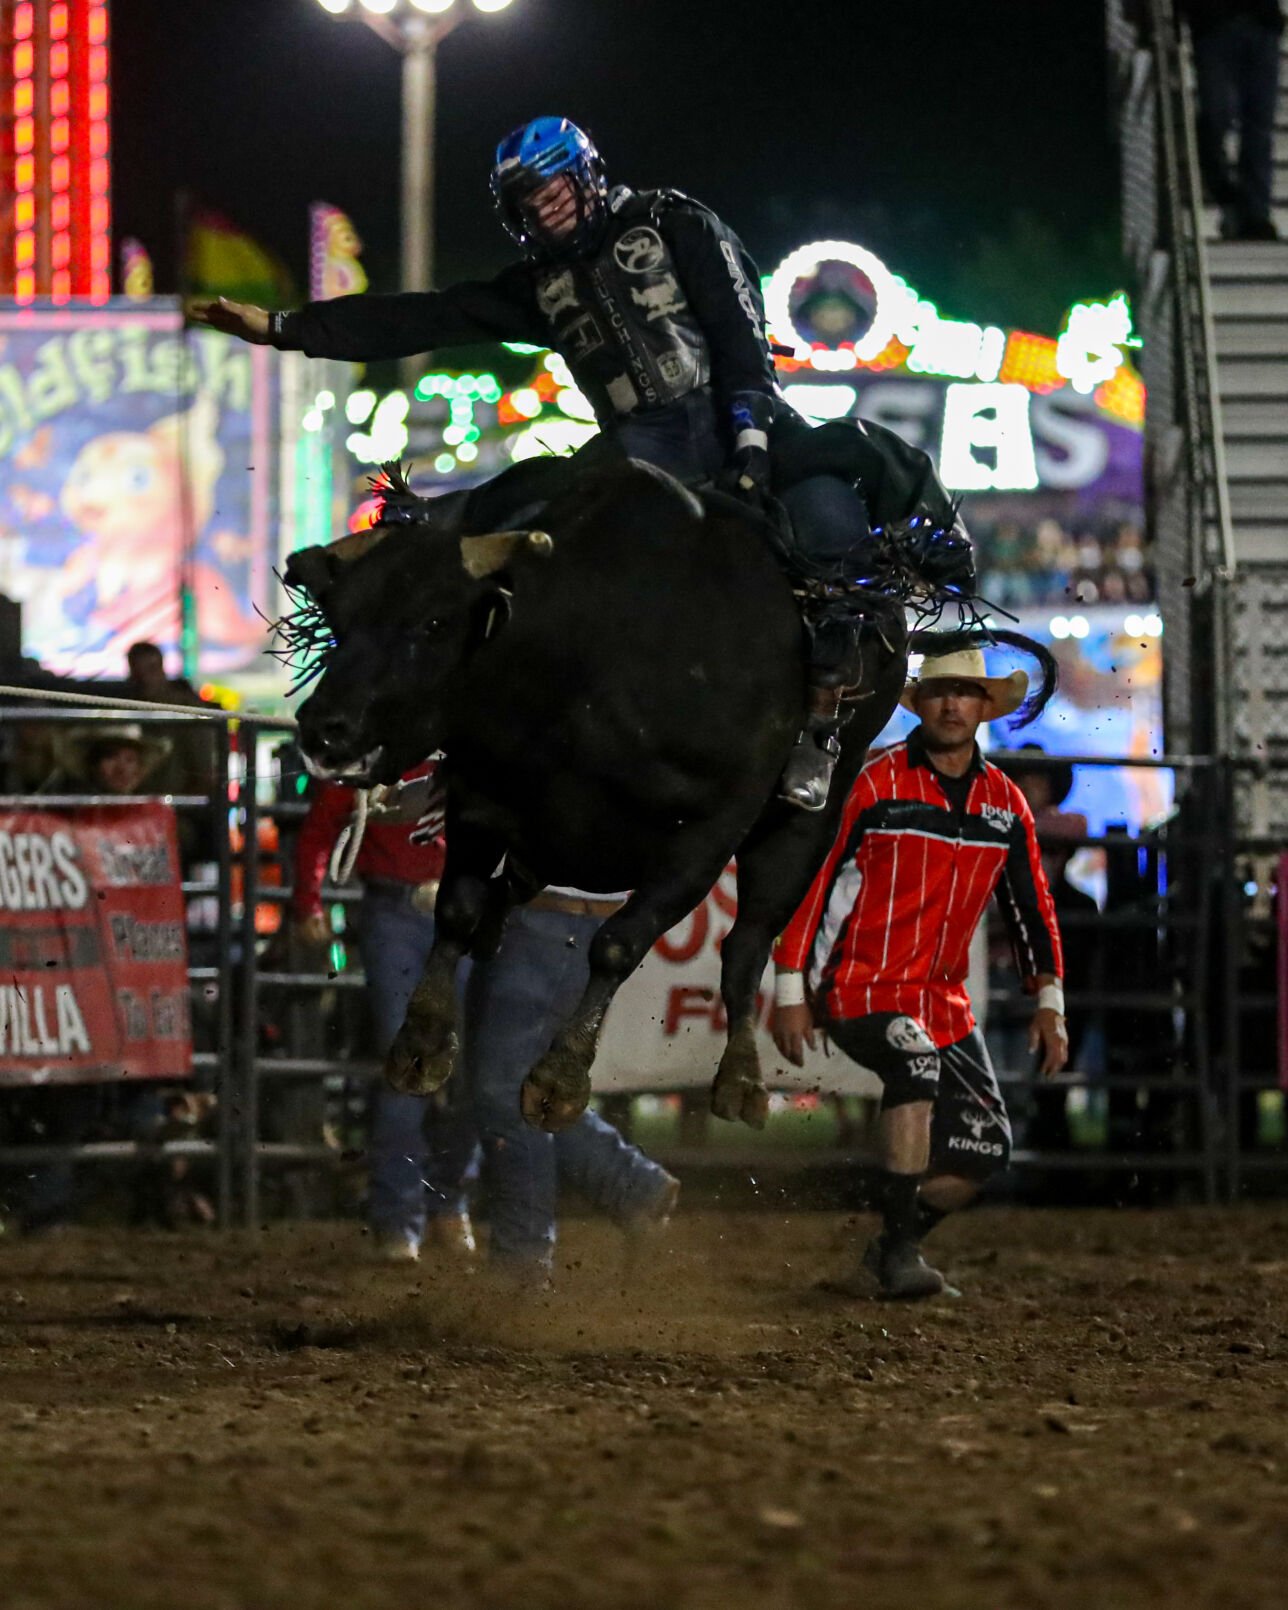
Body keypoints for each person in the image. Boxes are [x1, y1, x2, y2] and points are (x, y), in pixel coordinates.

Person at [191, 116, 972, 813]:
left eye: (554, 187)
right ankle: (435, 670)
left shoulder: (676, 221)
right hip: (637, 444)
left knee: (833, 510)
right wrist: (284, 327)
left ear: (586, 175)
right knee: (517, 510)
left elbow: (740, 339)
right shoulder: (538, 284)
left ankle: (822, 724)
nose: (545, 206)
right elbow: (427, 314)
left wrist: (751, 448)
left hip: (736, 412)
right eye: (528, 199)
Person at [771, 647, 1068, 1300]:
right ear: (921, 704)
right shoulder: (875, 784)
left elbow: (1031, 906)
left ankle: (884, 1248)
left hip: (943, 1002)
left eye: (965, 693)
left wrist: (1050, 999)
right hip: (861, 987)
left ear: (984, 707)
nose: (952, 704)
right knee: (915, 1065)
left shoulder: (1005, 804)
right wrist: (791, 985)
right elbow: (813, 882)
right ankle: (902, 1253)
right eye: (940, 692)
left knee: (984, 1151)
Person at [292, 762, 479, 1260]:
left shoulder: (425, 747)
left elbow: (319, 827)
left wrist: (310, 901)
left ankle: (425, 1210)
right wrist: (307, 901)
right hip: (412, 911)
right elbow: (323, 822)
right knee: (413, 1066)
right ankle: (417, 1213)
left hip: (438, 909)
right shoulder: (377, 752)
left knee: (464, 1071)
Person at [463, 890, 681, 1284]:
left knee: (508, 1089)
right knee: (508, 1085)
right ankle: (631, 1185)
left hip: (549, 916)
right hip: (546, 918)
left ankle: (522, 1263)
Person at [1180, 0, 1284, 240]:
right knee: (1217, 114)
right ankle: (1224, 191)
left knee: (1259, 124)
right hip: (1213, 22)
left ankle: (1256, 213)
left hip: (1261, 21)